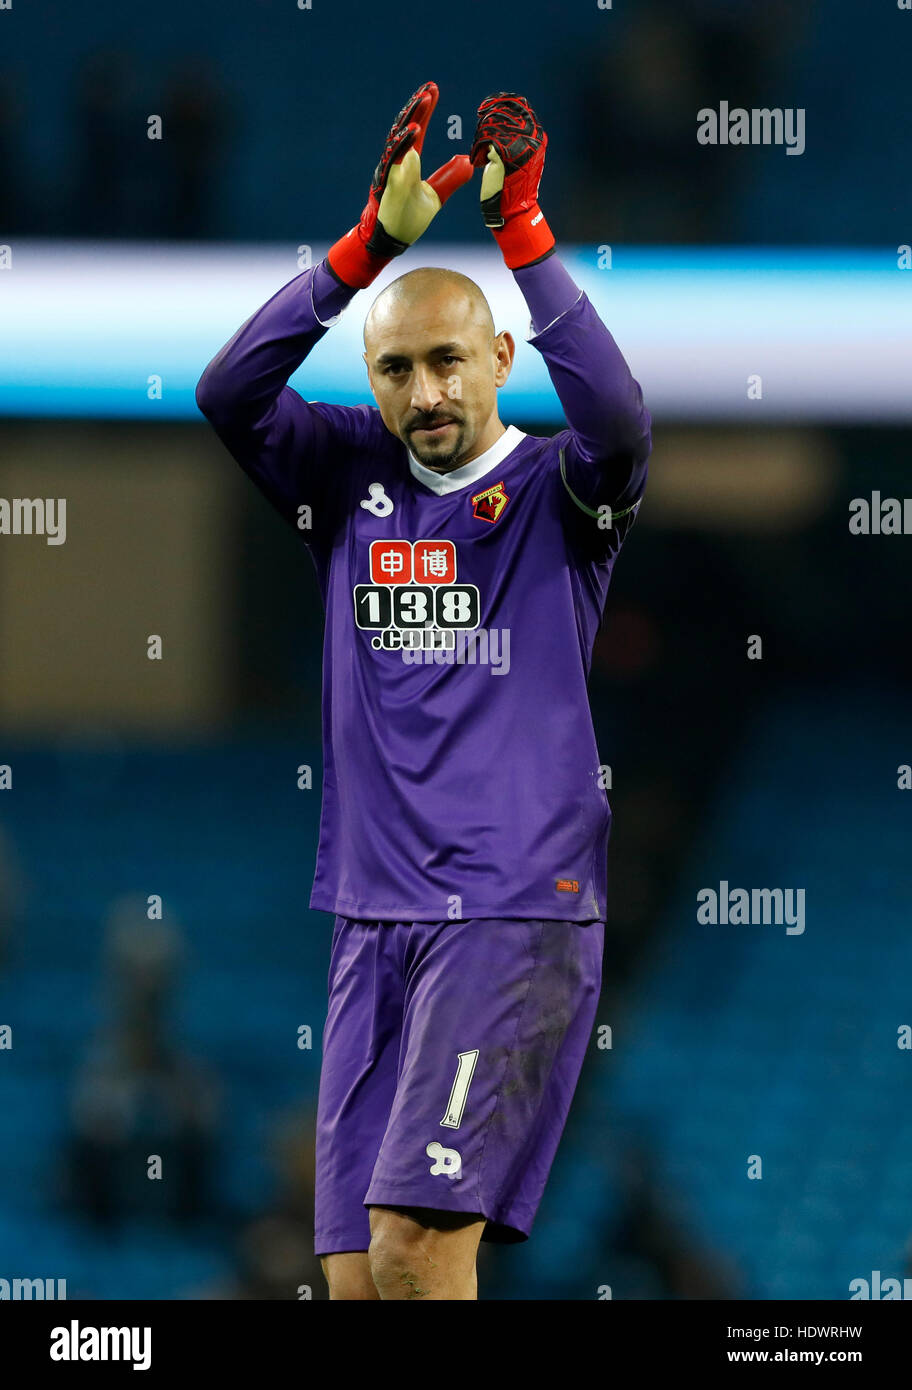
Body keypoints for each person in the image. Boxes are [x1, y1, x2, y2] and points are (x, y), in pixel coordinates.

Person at [196, 83, 652, 1300]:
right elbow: (225, 392)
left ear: (501, 357)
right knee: (353, 1279)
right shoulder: (346, 475)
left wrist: (525, 234)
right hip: (371, 920)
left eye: (449, 360)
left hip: (509, 910)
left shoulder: (564, 493)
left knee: (413, 1246)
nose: (425, 393)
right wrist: (367, 251)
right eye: (395, 370)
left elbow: (623, 415)